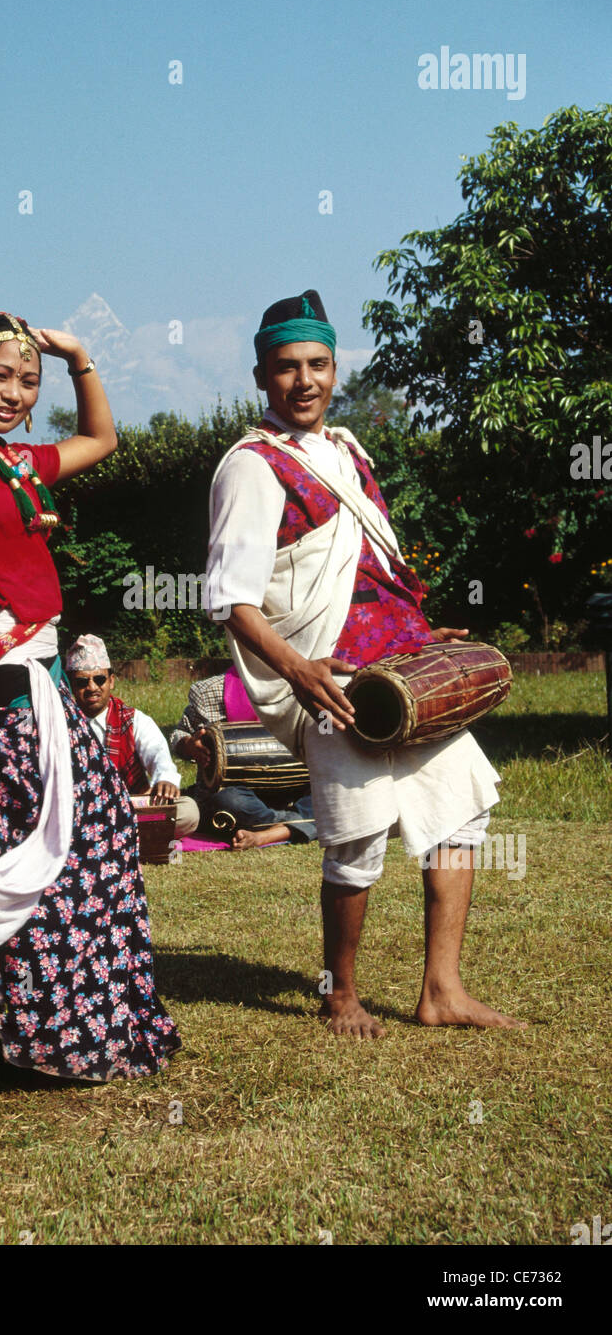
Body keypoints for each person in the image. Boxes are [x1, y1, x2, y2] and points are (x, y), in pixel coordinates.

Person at [206, 288, 525, 1038]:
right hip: (331, 676)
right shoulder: (250, 467)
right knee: (354, 836)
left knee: (464, 813)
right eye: (286, 367)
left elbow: (374, 564)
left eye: (317, 364)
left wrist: (419, 625)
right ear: (261, 376)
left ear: (335, 368)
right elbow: (231, 599)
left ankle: (441, 990)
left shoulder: (348, 451)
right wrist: (298, 671)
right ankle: (340, 992)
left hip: (401, 667)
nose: (304, 380)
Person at [0, 310, 180, 1081]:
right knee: (45, 837)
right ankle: (27, 1017)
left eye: (29, 381)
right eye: (1, 376)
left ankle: (32, 1018)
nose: (16, 393)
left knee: (86, 837)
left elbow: (101, 441)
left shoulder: (13, 461)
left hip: (39, 674)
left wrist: (81, 357)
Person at [65, 633, 200, 839]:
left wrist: (165, 779)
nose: (92, 688)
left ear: (111, 681)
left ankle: (99, 838)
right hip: (80, 810)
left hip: (129, 806)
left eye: (99, 679)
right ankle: (127, 838)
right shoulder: (61, 721)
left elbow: (158, 754)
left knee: (188, 811)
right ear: (72, 686)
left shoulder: (134, 719)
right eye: (82, 682)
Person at [170, 666, 316, 849]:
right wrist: (188, 744)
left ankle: (267, 834)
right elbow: (179, 733)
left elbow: (327, 727)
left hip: (292, 790)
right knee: (228, 801)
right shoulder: (211, 691)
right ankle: (301, 823)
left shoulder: (304, 684)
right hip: (238, 792)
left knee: (331, 790)